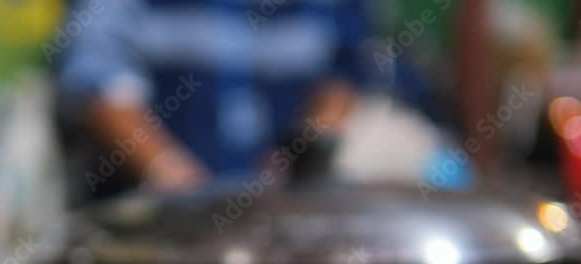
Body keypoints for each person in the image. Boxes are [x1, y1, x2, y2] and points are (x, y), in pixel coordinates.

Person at [56, 0, 367, 197]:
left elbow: (342, 70)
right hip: (145, 226)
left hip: (279, 220)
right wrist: (178, 182)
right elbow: (99, 82)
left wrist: (308, 145)